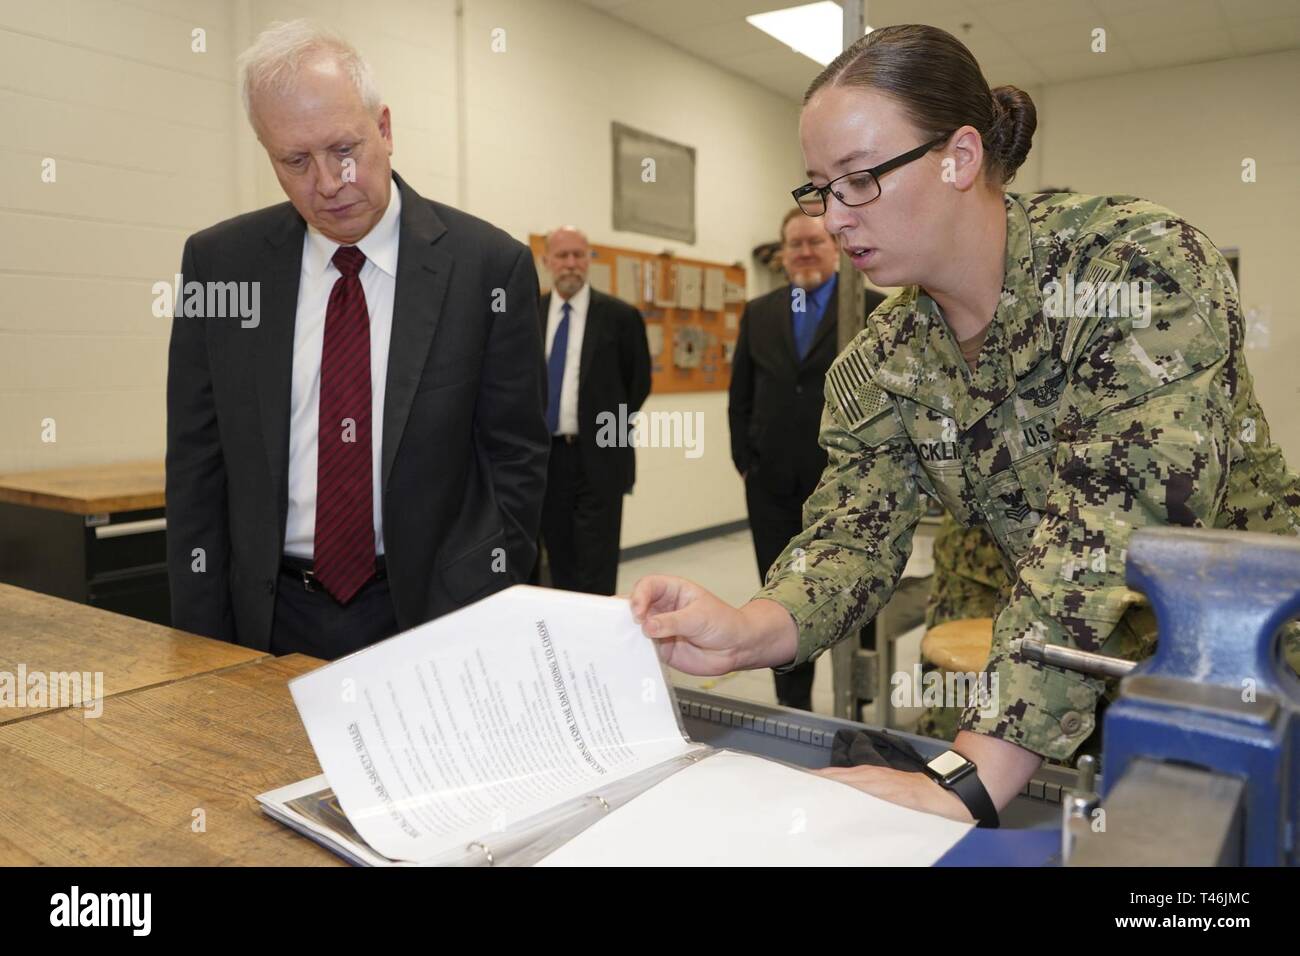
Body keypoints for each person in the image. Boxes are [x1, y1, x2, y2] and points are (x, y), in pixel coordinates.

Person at [629, 23, 1300, 824]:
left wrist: (974, 772)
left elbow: (1103, 537)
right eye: (818, 187)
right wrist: (749, 628)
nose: (836, 218)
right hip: (1065, 683)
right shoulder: (889, 357)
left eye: (860, 179)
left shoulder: (1133, 269)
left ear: (960, 157)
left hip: (1251, 673)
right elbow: (853, 537)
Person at [166, 20, 548, 657]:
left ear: (386, 128)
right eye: (294, 161)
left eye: (344, 148)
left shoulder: (488, 266)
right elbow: (196, 464)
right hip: (268, 615)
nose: (327, 182)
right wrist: (199, 641)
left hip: (431, 612)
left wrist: (488, 594)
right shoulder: (220, 265)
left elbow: (516, 458)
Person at [728, 209, 885, 710]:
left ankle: (856, 709)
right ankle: (792, 710)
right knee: (779, 594)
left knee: (855, 591)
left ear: (835, 245)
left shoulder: (872, 309)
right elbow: (741, 394)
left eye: (814, 243)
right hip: (771, 483)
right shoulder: (759, 312)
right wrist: (745, 461)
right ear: (782, 253)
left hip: (845, 484)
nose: (804, 253)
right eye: (794, 245)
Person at [534, 227, 651, 596]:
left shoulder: (620, 316)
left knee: (597, 562)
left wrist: (606, 430)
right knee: (557, 557)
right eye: (563, 255)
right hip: (545, 460)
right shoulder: (528, 313)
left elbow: (638, 384)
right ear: (547, 261)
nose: (571, 264)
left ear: (588, 260)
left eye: (578, 255)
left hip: (599, 460)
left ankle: (596, 646)